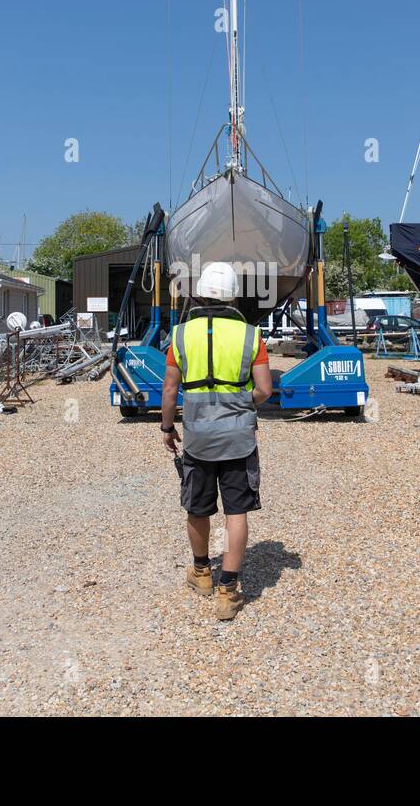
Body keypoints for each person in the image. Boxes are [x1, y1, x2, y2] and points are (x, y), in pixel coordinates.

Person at [160, 261, 273, 620]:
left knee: (197, 507)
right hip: (239, 437)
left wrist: (167, 428)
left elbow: (170, 389)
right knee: (235, 511)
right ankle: (229, 590)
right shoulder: (251, 336)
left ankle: (201, 573)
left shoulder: (180, 336)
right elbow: (265, 390)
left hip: (197, 438)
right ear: (232, 296)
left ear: (201, 293)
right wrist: (239, 402)